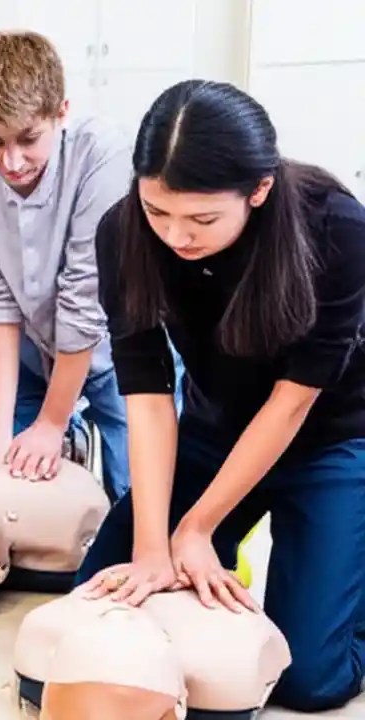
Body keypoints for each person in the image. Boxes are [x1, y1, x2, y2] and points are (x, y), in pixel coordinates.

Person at [77, 79, 365, 713]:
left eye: (202, 219)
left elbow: (293, 402)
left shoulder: (336, 229)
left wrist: (196, 527)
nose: (176, 236)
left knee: (310, 678)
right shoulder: (123, 232)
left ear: (258, 190)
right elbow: (148, 395)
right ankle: (211, 565)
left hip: (332, 440)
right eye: (158, 211)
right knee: (103, 595)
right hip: (214, 429)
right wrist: (154, 548)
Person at [0, 31, 135, 499]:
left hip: (124, 350)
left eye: (29, 138)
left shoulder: (102, 154)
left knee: (139, 494)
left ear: (61, 112)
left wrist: (52, 423)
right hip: (34, 352)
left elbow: (84, 299)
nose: (12, 161)